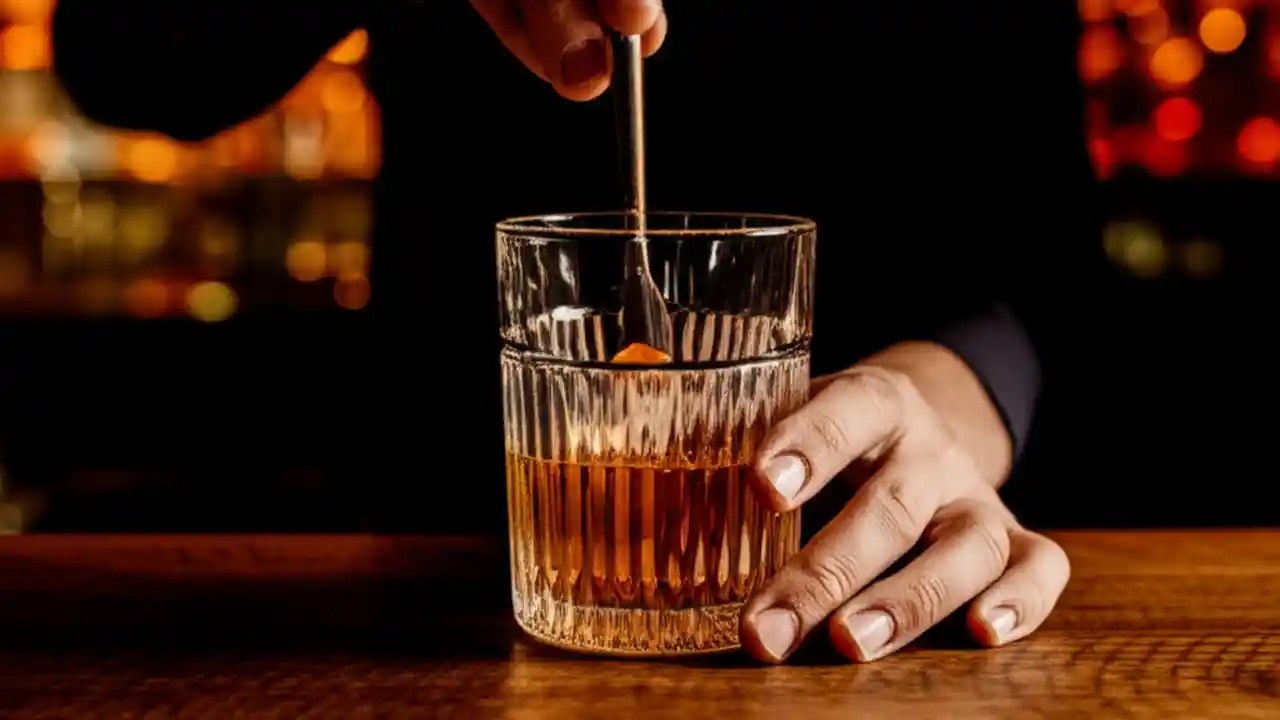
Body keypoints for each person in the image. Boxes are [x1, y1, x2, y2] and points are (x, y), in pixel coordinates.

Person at [51, 1, 1092, 664]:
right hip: (420, 602)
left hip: (842, 596)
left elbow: (1038, 251)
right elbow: (131, 50)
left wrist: (944, 407)